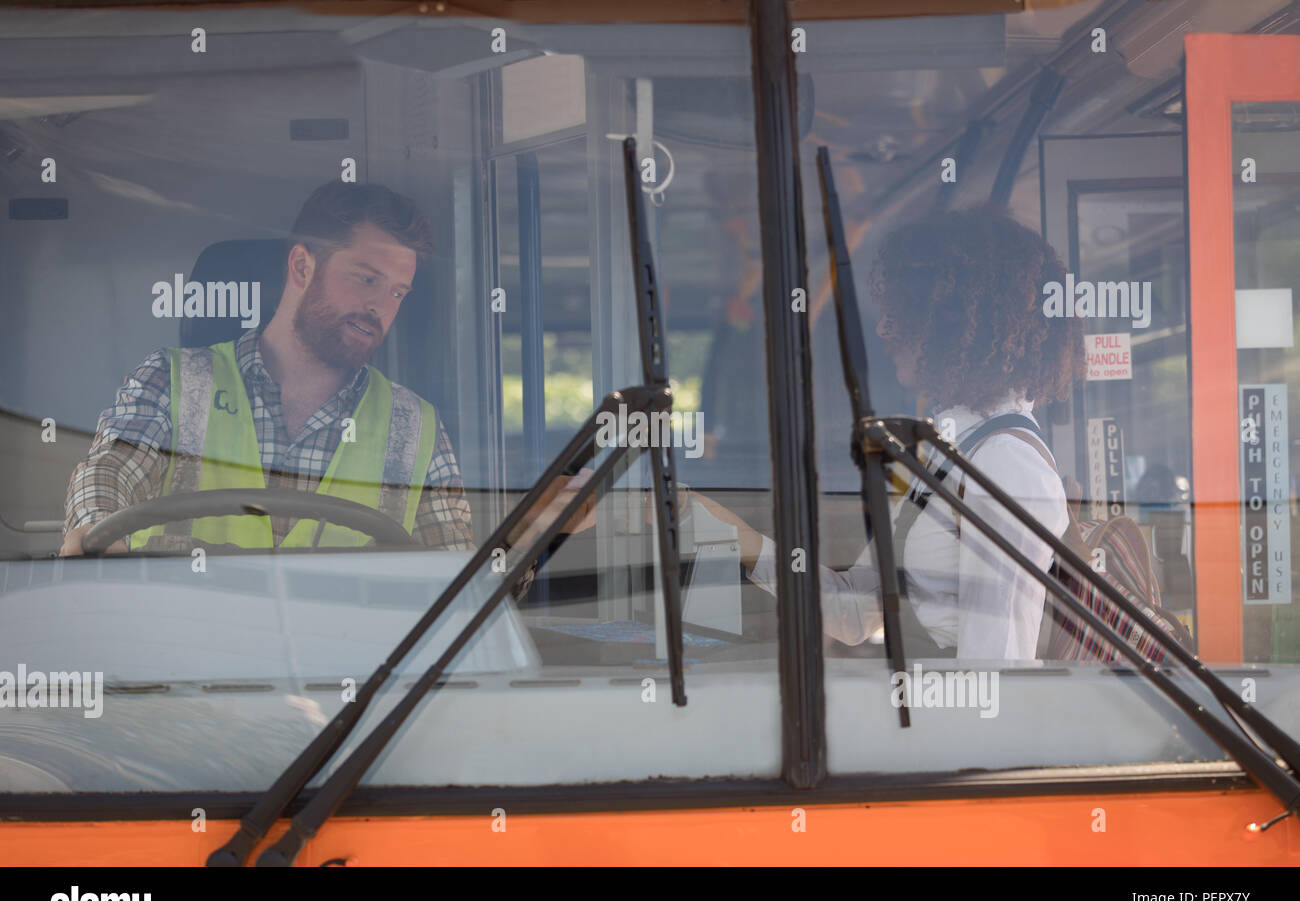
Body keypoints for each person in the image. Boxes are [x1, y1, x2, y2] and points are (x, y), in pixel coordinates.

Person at [60, 181, 593, 574]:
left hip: (347, 705)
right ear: (301, 267)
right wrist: (95, 526)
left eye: (397, 292)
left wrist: (534, 531)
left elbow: (452, 592)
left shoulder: (416, 428)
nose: (379, 307)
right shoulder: (173, 383)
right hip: (182, 689)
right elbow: (109, 473)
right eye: (366, 278)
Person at [687, 206, 1084, 660]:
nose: (883, 328)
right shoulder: (956, 450)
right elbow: (853, 613)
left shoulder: (1004, 464)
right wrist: (717, 524)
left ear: (952, 328)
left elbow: (996, 673)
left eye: (902, 312)